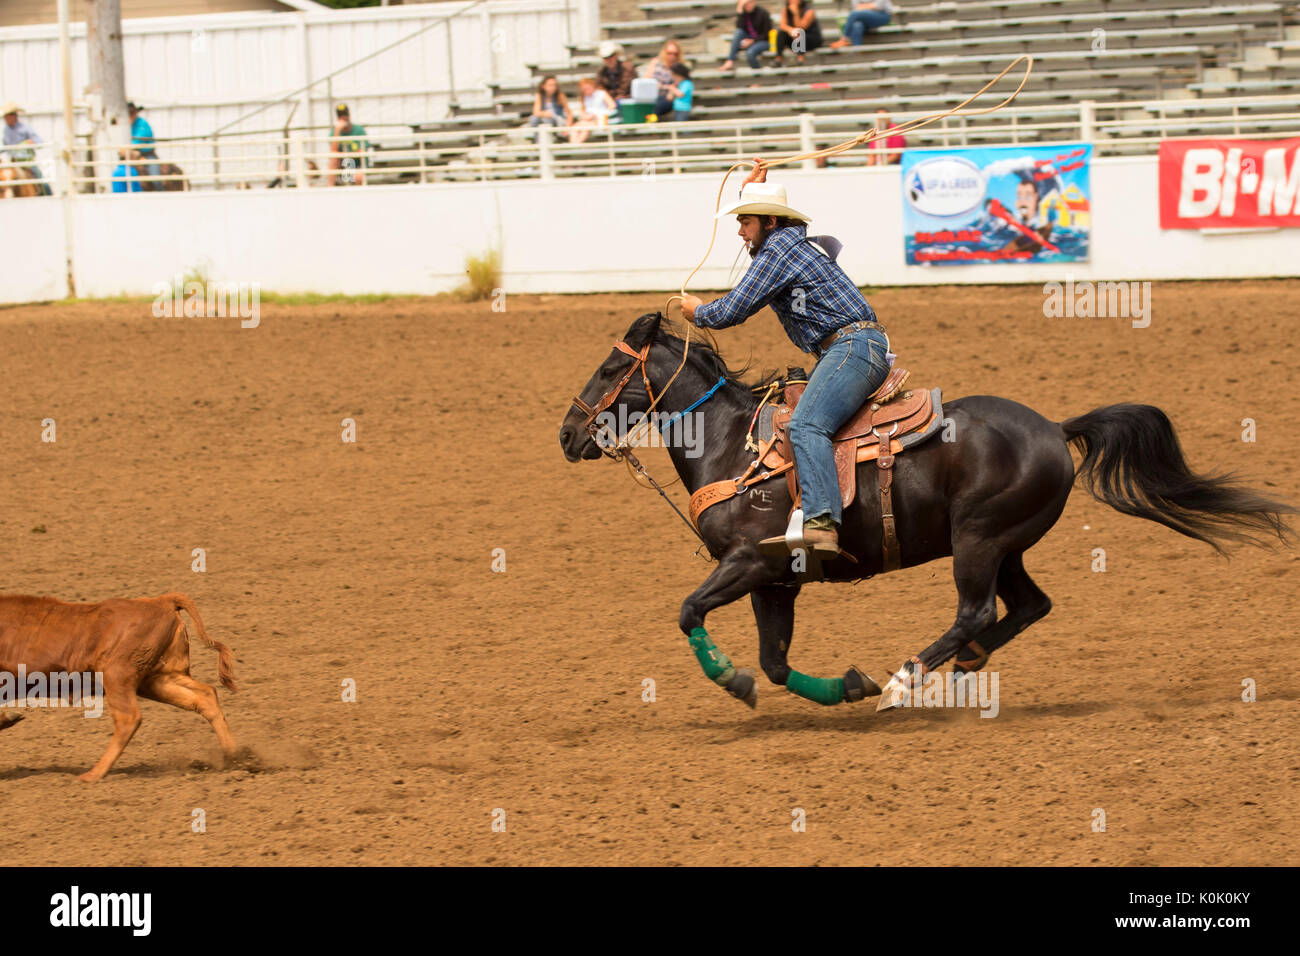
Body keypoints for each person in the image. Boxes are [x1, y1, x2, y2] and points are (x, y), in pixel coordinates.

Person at [680, 161, 889, 555]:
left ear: (770, 221)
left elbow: (731, 311)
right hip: (854, 347)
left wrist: (698, 312)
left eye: (745, 222)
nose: (740, 232)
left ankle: (822, 522)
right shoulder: (786, 244)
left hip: (851, 349)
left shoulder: (778, 251)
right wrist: (750, 194)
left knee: (806, 424)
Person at [2, 102, 52, 195]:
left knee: (40, 179)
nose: (5, 119)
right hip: (12, 161)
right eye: (5, 117)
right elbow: (5, 146)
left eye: (7, 116)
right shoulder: (6, 130)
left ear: (14, 116)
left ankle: (49, 195)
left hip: (26, 162)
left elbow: (39, 141)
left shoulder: (25, 128)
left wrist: (32, 142)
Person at [721, 0, 774, 72]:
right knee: (738, 32)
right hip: (750, 40)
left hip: (763, 41)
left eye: (750, 2)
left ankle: (757, 77)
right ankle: (730, 60)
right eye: (745, 4)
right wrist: (740, 11)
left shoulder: (763, 13)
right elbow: (739, 28)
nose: (748, 5)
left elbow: (767, 34)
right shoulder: (744, 14)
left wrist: (752, 41)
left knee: (750, 53)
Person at [329, 103, 368, 186]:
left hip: (356, 165)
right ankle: (330, 189)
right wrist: (337, 130)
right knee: (333, 159)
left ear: (349, 115)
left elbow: (361, 152)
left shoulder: (359, 130)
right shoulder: (334, 132)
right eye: (340, 116)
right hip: (342, 165)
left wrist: (343, 155)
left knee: (358, 176)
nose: (343, 118)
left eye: (345, 115)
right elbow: (333, 151)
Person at [570, 77, 616, 144]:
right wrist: (585, 116)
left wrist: (596, 114)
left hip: (601, 119)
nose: (586, 91)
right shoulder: (584, 97)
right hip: (588, 120)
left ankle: (576, 145)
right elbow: (583, 111)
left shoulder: (602, 94)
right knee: (575, 127)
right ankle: (573, 144)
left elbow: (612, 105)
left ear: (592, 86)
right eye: (584, 89)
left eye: (587, 88)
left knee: (586, 127)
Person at [127, 102, 163, 189]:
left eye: (131, 113)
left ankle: (159, 191)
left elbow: (138, 140)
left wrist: (128, 148)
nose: (130, 116)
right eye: (128, 114)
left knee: (155, 177)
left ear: (135, 113)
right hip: (133, 154)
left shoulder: (142, 124)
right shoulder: (128, 126)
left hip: (147, 154)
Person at [776, 0, 823, 65]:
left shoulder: (809, 11)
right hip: (795, 39)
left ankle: (800, 58)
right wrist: (790, 29)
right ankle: (778, 58)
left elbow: (800, 27)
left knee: (799, 33)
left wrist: (795, 13)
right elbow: (782, 25)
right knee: (781, 33)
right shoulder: (786, 9)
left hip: (811, 39)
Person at [830, 0, 894, 48]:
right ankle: (857, 50)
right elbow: (856, 7)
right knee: (857, 25)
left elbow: (878, 6)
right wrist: (868, 7)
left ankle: (844, 39)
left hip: (882, 15)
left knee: (854, 14)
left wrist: (864, 7)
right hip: (864, 16)